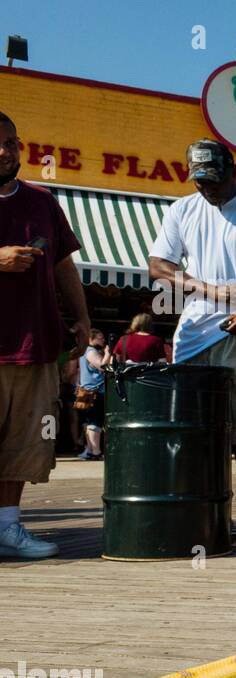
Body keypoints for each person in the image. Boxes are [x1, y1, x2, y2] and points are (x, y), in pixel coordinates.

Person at [149, 139, 236, 548]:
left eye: (213, 179)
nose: (206, 188)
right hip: (193, 333)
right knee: (194, 427)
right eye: (199, 180)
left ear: (233, 171)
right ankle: (202, 510)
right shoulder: (182, 210)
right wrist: (200, 287)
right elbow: (158, 266)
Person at [0, 109, 91, 559]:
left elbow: (63, 265)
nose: (4, 150)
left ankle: (8, 527)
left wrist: (82, 317)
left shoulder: (42, 201)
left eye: (11, 142)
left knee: (22, 445)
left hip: (34, 344)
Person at [76, 330, 108, 461]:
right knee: (95, 421)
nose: (103, 340)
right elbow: (102, 365)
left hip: (86, 390)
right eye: (100, 338)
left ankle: (89, 450)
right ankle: (96, 451)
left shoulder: (84, 351)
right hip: (94, 391)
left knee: (88, 421)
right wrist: (107, 353)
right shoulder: (90, 351)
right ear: (91, 339)